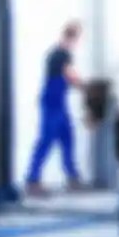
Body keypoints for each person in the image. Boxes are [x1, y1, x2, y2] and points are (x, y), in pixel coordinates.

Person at [24, 21, 85, 196]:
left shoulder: (59, 53)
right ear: (72, 37)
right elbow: (69, 75)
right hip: (52, 102)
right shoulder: (61, 54)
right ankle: (32, 180)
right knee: (46, 140)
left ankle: (72, 177)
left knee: (67, 137)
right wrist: (85, 87)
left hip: (59, 101)